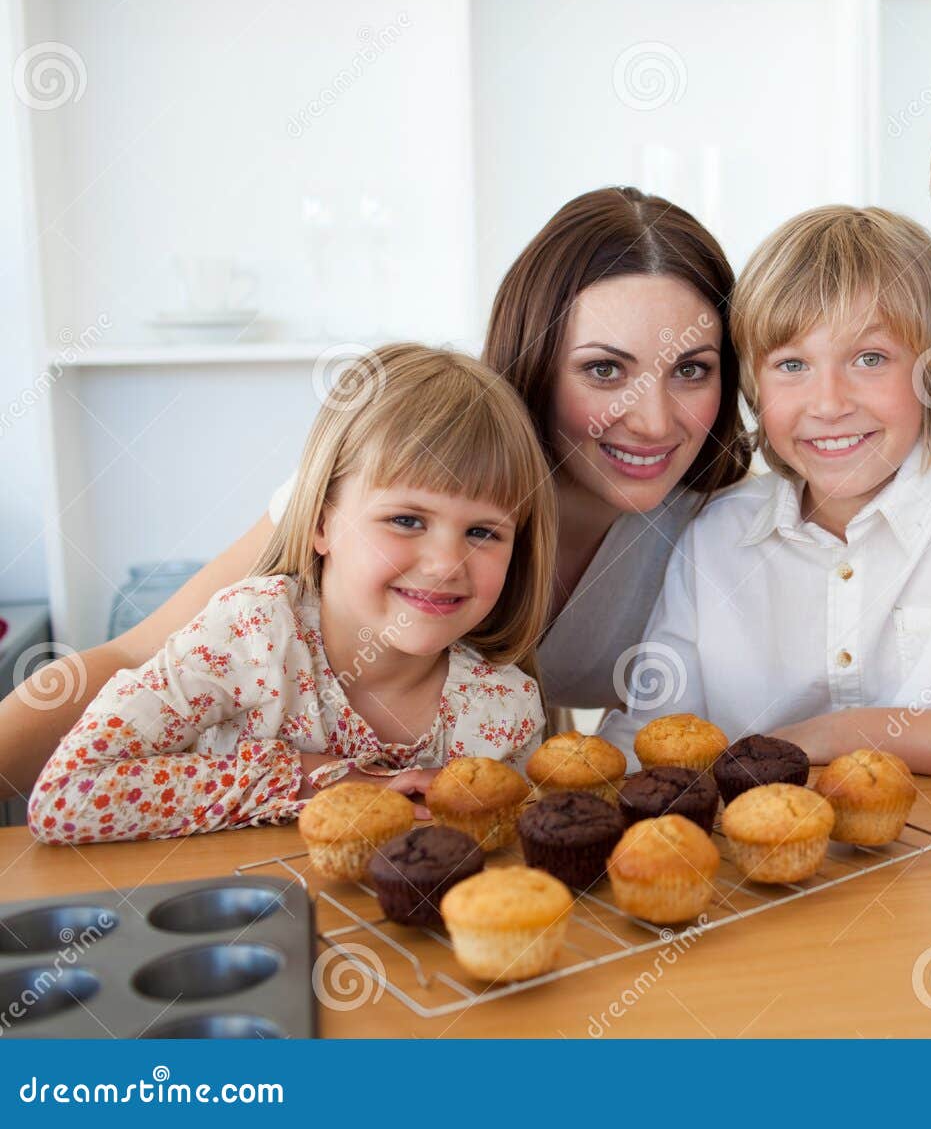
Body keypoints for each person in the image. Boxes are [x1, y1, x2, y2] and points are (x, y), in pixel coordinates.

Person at [0, 187, 752, 797]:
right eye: (603, 370)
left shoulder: (722, 524)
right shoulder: (414, 469)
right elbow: (135, 653)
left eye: (691, 369)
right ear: (535, 359)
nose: (654, 421)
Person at [603, 207, 931, 790]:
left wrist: (845, 734)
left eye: (870, 359)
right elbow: (646, 745)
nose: (828, 403)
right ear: (754, 388)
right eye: (792, 365)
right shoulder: (715, 540)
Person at [29, 345, 553, 843]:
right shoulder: (249, 635)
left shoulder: (503, 710)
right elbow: (67, 793)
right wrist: (320, 780)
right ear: (322, 523)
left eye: (483, 532)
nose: (446, 564)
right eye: (406, 519)